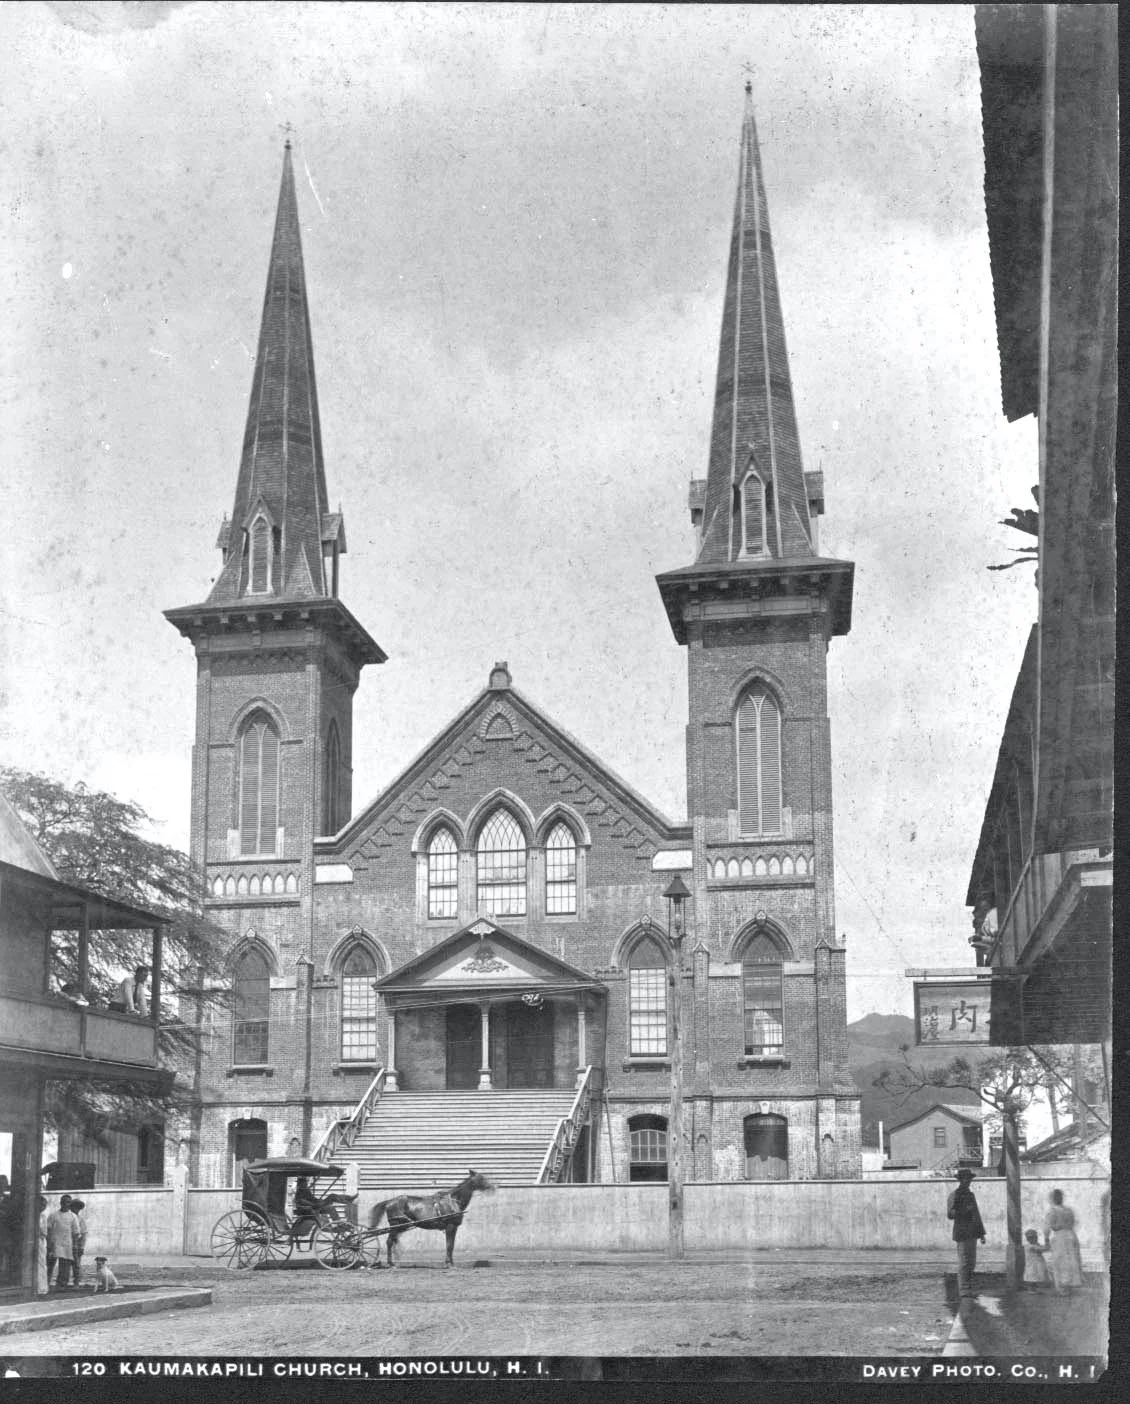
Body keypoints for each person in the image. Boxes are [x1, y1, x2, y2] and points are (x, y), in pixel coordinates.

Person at [946, 1167, 986, 1298]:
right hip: (962, 1232)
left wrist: (981, 1234)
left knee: (971, 1262)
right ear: (960, 1180)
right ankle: (963, 1288)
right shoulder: (954, 1195)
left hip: (972, 1232)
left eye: (969, 1180)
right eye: (965, 1179)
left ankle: (967, 1284)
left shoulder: (971, 1195)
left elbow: (976, 1214)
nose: (968, 1182)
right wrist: (964, 1210)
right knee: (963, 1261)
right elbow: (950, 1214)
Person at [1044, 1188, 1084, 1293]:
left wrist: (1046, 1239)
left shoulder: (1052, 1211)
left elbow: (1047, 1226)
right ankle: (1067, 1286)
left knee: (1060, 1261)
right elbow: (1074, 1222)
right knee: (1070, 1261)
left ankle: (1062, 1287)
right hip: (1070, 1235)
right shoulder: (1068, 1210)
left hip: (1060, 1237)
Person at [46, 1195, 79, 1289]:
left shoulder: (73, 1217)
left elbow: (76, 1232)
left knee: (65, 1266)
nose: (65, 1204)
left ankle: (61, 1285)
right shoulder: (53, 1215)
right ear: (60, 1202)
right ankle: (45, 1283)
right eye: (63, 1202)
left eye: (68, 1202)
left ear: (70, 1204)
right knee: (49, 1265)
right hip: (54, 1244)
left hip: (66, 1244)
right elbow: (48, 1229)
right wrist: (49, 1244)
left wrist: (75, 1245)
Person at [69, 1200, 88, 1286]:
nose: (76, 1210)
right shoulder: (68, 1217)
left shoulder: (81, 1220)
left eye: (78, 1208)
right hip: (67, 1243)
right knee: (65, 1264)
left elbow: (83, 1234)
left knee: (76, 1264)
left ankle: (76, 1281)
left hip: (77, 1244)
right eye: (74, 1208)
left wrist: (82, 1247)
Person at [36, 1196, 49, 1296]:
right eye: (41, 1204)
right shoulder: (33, 1216)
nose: (43, 1207)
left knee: (41, 1263)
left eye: (45, 1205)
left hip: (40, 1241)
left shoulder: (43, 1217)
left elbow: (44, 1232)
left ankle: (42, 1287)